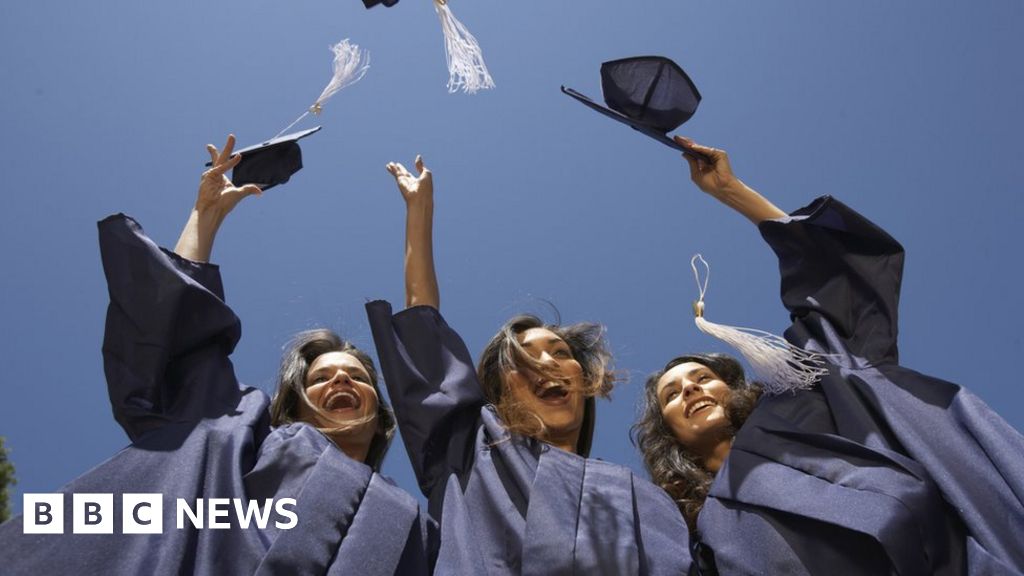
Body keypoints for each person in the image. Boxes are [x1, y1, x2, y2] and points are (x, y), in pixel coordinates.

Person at [0, 136, 426, 575]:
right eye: (321, 378)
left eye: (357, 377)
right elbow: (178, 337)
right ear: (294, 405)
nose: (340, 381)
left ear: (383, 415)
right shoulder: (237, 432)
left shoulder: (409, 522)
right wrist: (206, 215)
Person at [633, 136, 1024, 575]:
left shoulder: (813, 397)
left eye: (702, 378)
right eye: (671, 394)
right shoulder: (699, 537)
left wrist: (730, 191)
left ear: (732, 388)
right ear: (667, 433)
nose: (690, 388)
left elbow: (834, 286)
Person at [365, 156, 692, 575]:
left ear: (586, 381)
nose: (547, 364)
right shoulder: (467, 450)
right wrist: (420, 211)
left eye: (560, 354)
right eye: (523, 359)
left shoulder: (639, 497)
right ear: (497, 392)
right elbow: (423, 326)